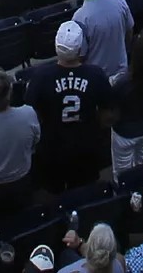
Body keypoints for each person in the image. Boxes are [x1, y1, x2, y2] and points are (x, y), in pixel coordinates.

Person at [30, 20, 112, 193]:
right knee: (83, 197)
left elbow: (32, 116)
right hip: (85, 148)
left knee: (55, 198)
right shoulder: (96, 75)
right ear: (80, 48)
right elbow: (106, 116)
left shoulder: (40, 77)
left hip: (52, 150)